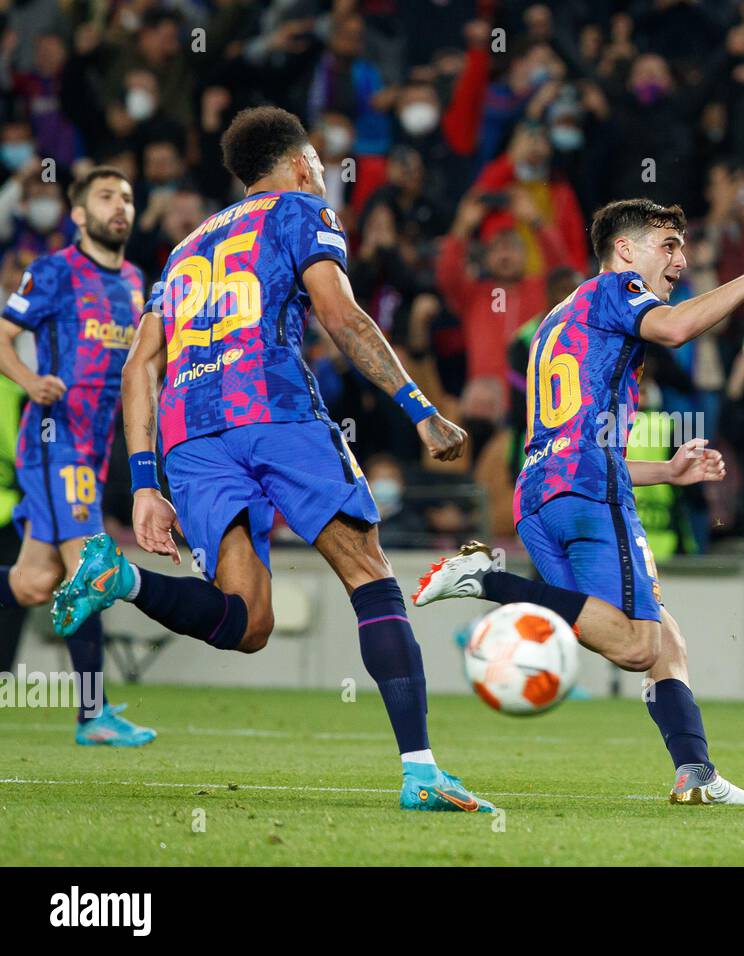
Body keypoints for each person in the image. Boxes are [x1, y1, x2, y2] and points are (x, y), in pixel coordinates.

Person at [49, 108, 491, 814]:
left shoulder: (186, 246)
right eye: (316, 161)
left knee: (248, 622)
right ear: (297, 163)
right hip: (275, 409)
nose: (321, 172)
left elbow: (140, 366)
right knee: (368, 573)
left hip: (189, 435)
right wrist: (419, 408)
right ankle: (421, 771)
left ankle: (123, 576)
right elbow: (343, 317)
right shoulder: (301, 211)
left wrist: (142, 484)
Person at [414, 198, 744, 805]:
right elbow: (677, 328)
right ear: (624, 251)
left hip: (542, 494)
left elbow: (572, 438)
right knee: (639, 644)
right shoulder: (616, 289)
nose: (679, 258)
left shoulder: (556, 319)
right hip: (586, 489)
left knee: (660, 639)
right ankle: (486, 581)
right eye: (668, 245)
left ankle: (695, 774)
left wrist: (668, 471)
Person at [0, 167, 154, 746]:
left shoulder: (137, 280)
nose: (122, 206)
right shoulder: (54, 271)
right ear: (81, 215)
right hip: (53, 441)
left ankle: (94, 714)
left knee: (35, 582)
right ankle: (94, 714)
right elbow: (3, 335)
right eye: (107, 197)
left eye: (129, 198)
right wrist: (31, 380)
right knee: (90, 565)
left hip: (92, 450)